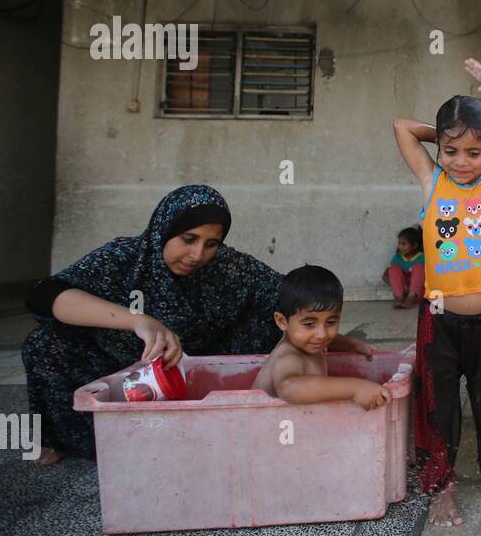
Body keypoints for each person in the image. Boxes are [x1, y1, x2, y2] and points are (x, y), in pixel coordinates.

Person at [22, 184, 379, 464]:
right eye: (188, 240)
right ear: (165, 229)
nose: (198, 256)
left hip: (198, 365)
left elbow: (293, 300)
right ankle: (85, 441)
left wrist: (332, 337)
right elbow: (43, 295)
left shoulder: (226, 266)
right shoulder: (125, 258)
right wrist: (138, 321)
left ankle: (224, 418)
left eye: (211, 244)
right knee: (45, 342)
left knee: (274, 322)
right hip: (120, 365)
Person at [393, 58, 481, 527]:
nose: (461, 162)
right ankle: (441, 485)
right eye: (453, 152)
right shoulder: (431, 178)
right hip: (440, 318)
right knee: (438, 403)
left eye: (474, 153)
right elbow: (401, 127)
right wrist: (450, 134)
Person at [252, 264, 389, 409]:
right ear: (282, 321)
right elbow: (289, 388)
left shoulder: (307, 342)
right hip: (267, 426)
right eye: (309, 324)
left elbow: (330, 340)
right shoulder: (288, 357)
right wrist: (355, 388)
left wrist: (352, 345)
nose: (322, 335)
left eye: (330, 322)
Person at [381, 226, 424, 308]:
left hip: (418, 293)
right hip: (403, 293)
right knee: (393, 268)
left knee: (419, 267)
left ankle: (411, 297)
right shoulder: (397, 257)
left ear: (414, 245)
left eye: (403, 244)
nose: (400, 247)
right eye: (399, 244)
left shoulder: (421, 257)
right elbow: (385, 276)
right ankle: (399, 298)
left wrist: (413, 289)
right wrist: (402, 287)